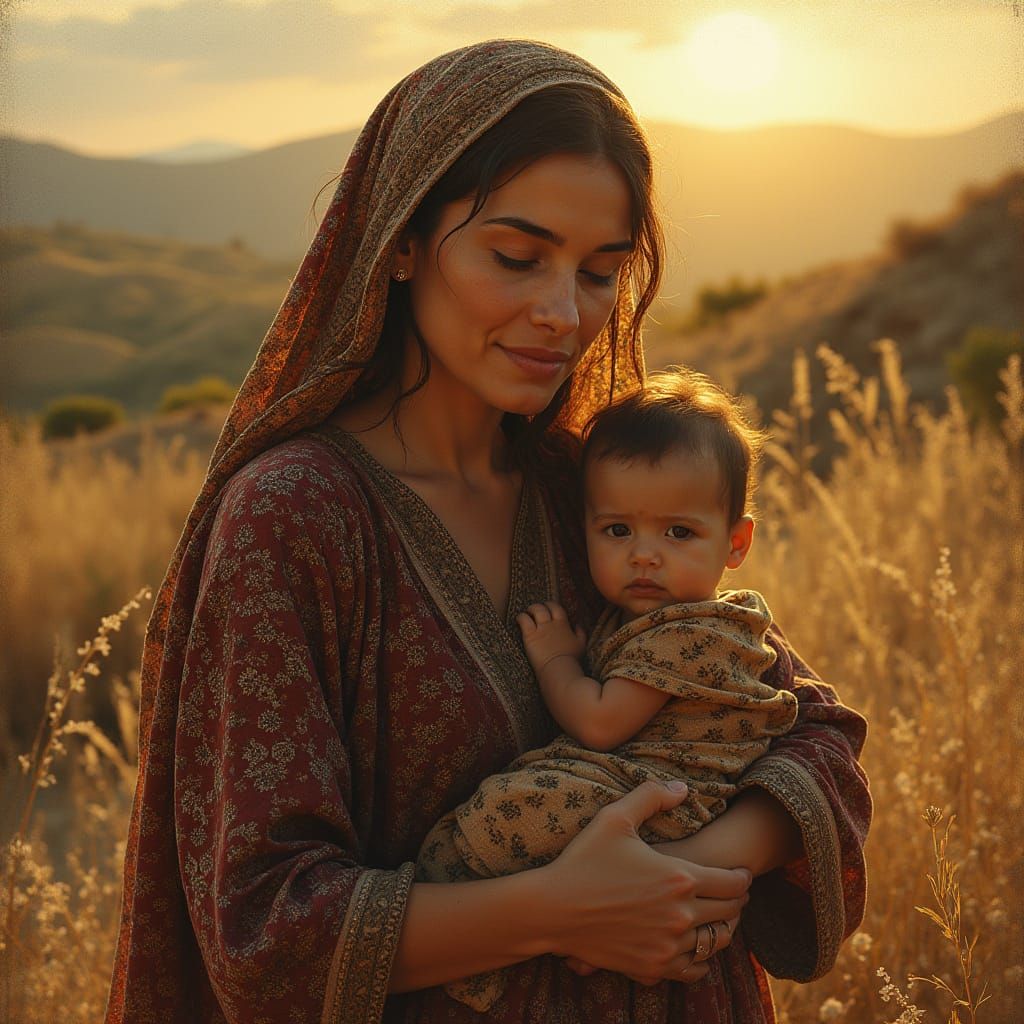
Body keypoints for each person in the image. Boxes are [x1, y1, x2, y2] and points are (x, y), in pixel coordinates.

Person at [104, 39, 871, 1024]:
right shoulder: (294, 517)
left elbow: (807, 727)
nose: (562, 313)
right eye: (516, 257)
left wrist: (682, 870)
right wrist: (556, 911)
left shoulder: (588, 489)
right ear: (405, 241)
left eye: (601, 272)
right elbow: (262, 919)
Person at [420, 370, 802, 1012]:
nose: (644, 556)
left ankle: (470, 964)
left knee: (502, 815)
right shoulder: (692, 619)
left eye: (678, 533)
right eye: (617, 531)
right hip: (649, 792)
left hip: (662, 796)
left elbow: (600, 723)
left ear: (736, 543)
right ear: (585, 525)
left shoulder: (687, 633)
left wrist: (553, 660)